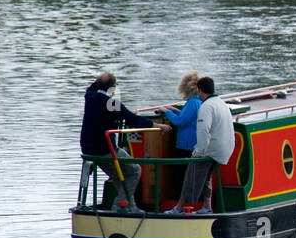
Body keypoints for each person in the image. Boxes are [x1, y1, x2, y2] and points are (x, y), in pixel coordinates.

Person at [80, 72, 170, 213]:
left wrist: (99, 81)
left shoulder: (90, 96)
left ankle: (129, 205)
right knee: (134, 171)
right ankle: (119, 206)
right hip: (105, 149)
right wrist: (159, 126)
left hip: (87, 149)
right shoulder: (112, 104)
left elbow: (92, 87)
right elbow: (133, 119)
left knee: (119, 174)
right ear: (113, 89)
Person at [170, 76, 234, 214]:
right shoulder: (221, 104)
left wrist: (199, 151)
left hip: (212, 149)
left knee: (191, 173)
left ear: (200, 90)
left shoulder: (206, 106)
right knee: (205, 176)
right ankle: (207, 206)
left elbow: (203, 130)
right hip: (223, 150)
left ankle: (179, 207)